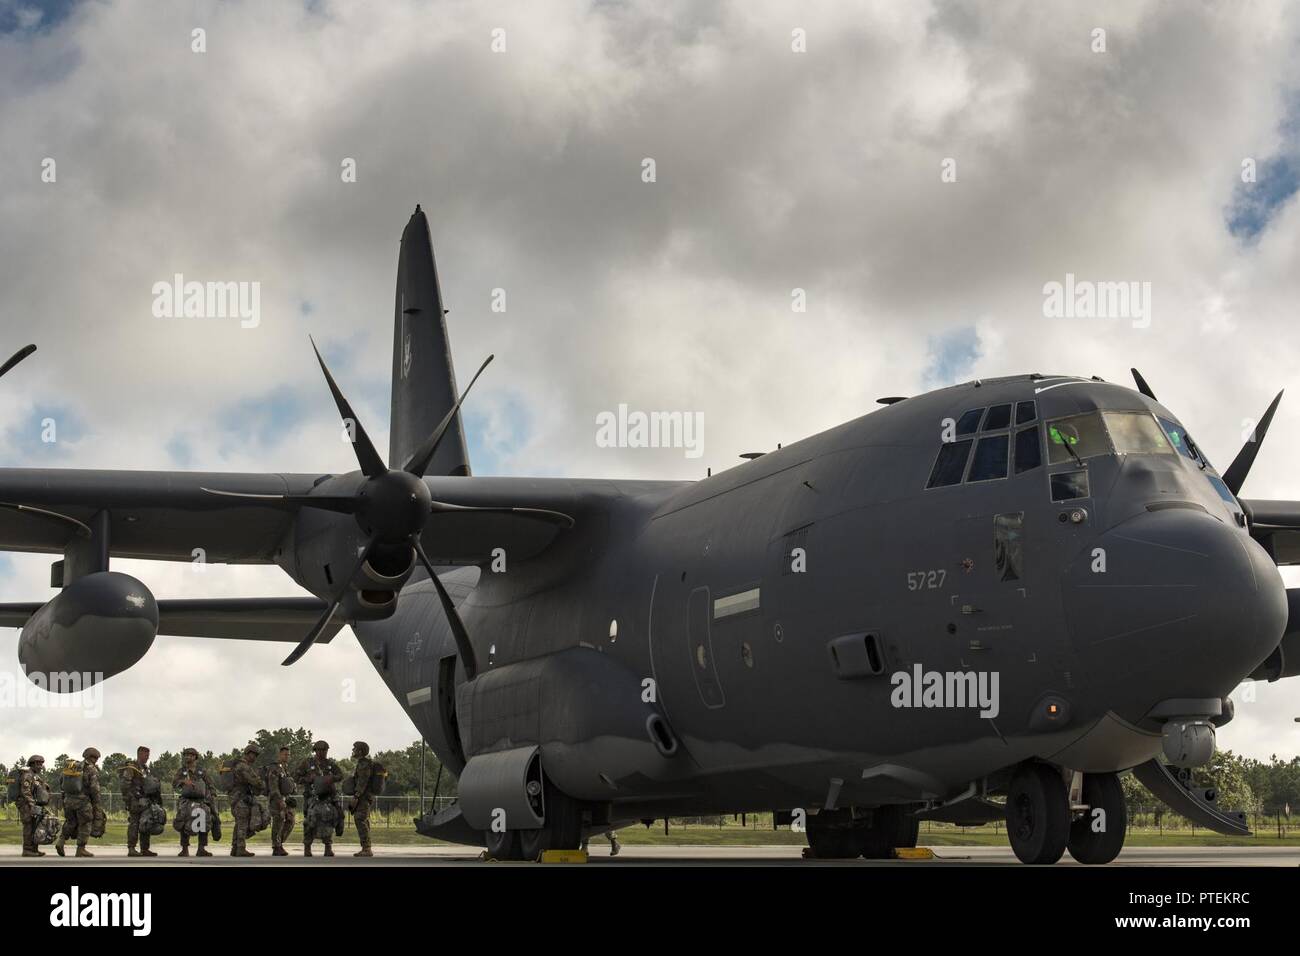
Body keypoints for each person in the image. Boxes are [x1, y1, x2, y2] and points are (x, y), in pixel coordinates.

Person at [294, 740, 343, 857]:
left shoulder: (330, 764)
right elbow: (296, 776)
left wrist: (332, 778)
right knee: (310, 820)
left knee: (329, 819)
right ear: (315, 751)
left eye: (325, 750)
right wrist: (307, 779)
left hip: (328, 797)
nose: (322, 752)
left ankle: (328, 847)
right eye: (320, 750)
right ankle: (307, 847)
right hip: (312, 797)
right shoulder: (307, 763)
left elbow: (340, 775)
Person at [56, 747, 101, 857]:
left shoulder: (72, 767)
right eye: (96, 758)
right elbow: (94, 789)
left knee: (70, 822)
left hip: (68, 800)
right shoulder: (91, 769)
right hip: (83, 802)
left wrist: (65, 798)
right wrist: (96, 804)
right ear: (93, 758)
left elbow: (61, 782)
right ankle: (81, 849)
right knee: (85, 824)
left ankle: (60, 841)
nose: (96, 760)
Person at [173, 748, 219, 857]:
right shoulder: (182, 771)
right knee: (183, 821)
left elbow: (210, 784)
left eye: (190, 755)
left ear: (195, 757)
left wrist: (212, 795)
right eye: (186, 755)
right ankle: (184, 849)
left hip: (201, 800)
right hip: (186, 800)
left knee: (204, 820)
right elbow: (174, 783)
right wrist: (183, 781)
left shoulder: (201, 771)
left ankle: (201, 848)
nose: (187, 757)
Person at [121, 746, 158, 857]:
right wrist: (128, 799)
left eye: (148, 755)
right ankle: (131, 848)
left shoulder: (146, 769)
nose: (147, 757)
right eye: (145, 755)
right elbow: (125, 785)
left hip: (146, 801)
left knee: (145, 824)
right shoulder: (132, 768)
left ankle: (144, 849)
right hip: (135, 801)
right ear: (139, 754)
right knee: (134, 824)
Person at [230, 743, 265, 857]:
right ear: (247, 753)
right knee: (243, 823)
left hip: (237, 797)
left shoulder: (239, 765)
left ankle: (235, 848)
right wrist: (262, 783)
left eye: (256, 755)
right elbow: (255, 781)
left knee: (239, 823)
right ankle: (241, 849)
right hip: (240, 798)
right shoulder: (243, 766)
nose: (254, 757)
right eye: (253, 754)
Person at [265, 746, 296, 856]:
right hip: (276, 800)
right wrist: (279, 800)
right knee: (279, 821)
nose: (287, 756)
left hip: (285, 799)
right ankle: (276, 847)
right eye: (285, 754)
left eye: (288, 754)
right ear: (279, 755)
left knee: (290, 820)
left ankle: (279, 843)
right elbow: (273, 786)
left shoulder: (285, 768)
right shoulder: (275, 768)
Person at [348, 741, 376, 858]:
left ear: (360, 751)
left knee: (360, 819)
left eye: (354, 748)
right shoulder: (362, 763)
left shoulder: (364, 764)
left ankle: (366, 848)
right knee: (363, 820)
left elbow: (362, 781)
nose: (353, 750)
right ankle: (366, 847)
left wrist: (356, 796)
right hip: (364, 797)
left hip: (363, 797)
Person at [16, 755, 48, 857]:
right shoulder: (27, 775)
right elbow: (25, 791)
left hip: (32, 804)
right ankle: (27, 850)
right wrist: (32, 804)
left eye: (41, 764)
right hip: (26, 805)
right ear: (33, 764)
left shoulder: (35, 776)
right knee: (29, 826)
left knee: (35, 825)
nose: (40, 766)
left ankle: (34, 849)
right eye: (38, 764)